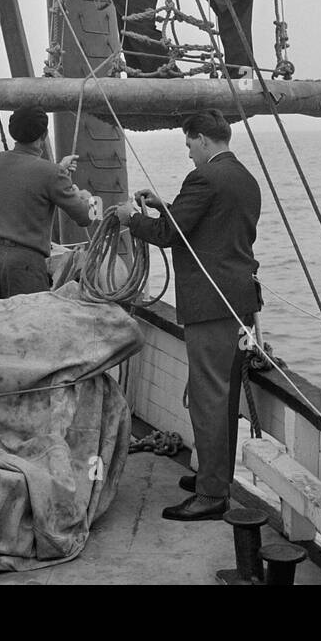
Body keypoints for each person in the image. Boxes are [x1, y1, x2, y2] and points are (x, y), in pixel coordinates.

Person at [116, 110, 262, 521]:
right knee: (224, 396)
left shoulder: (203, 178)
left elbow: (171, 235)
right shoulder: (244, 178)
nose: (188, 154)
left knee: (208, 399)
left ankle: (212, 494)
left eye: (188, 145)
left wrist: (132, 220)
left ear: (201, 140)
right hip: (238, 302)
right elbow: (207, 227)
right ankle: (214, 479)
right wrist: (165, 206)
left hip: (211, 305)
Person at [0, 108, 97, 299]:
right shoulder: (51, 174)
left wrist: (59, 170)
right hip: (22, 264)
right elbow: (85, 218)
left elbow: (28, 176)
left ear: (13, 132)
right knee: (29, 325)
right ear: (44, 134)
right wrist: (90, 199)